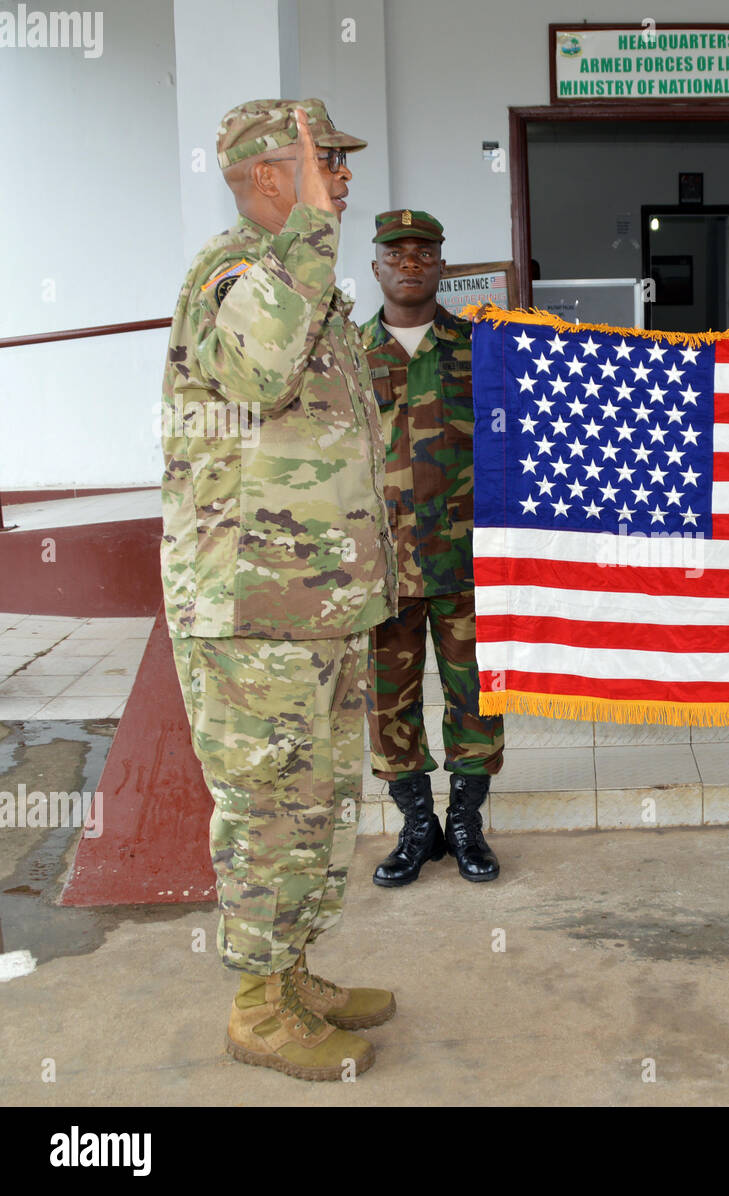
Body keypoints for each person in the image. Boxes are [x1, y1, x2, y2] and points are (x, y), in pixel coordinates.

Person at [161, 98, 398, 1081]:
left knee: (316, 803)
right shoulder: (234, 276)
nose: (341, 179)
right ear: (272, 174)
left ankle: (292, 972)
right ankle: (258, 1005)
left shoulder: (297, 281)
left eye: (338, 164)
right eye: (325, 163)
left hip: (312, 604)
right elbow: (259, 373)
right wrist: (311, 232)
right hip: (251, 609)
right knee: (268, 808)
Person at [360, 210, 505, 887]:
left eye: (424, 253)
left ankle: (467, 823)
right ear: (376, 268)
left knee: (475, 695)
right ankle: (417, 826)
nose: (410, 263)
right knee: (390, 701)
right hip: (380, 569)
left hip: (466, 560)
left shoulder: (483, 347)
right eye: (397, 254)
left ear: (443, 265)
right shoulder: (345, 357)